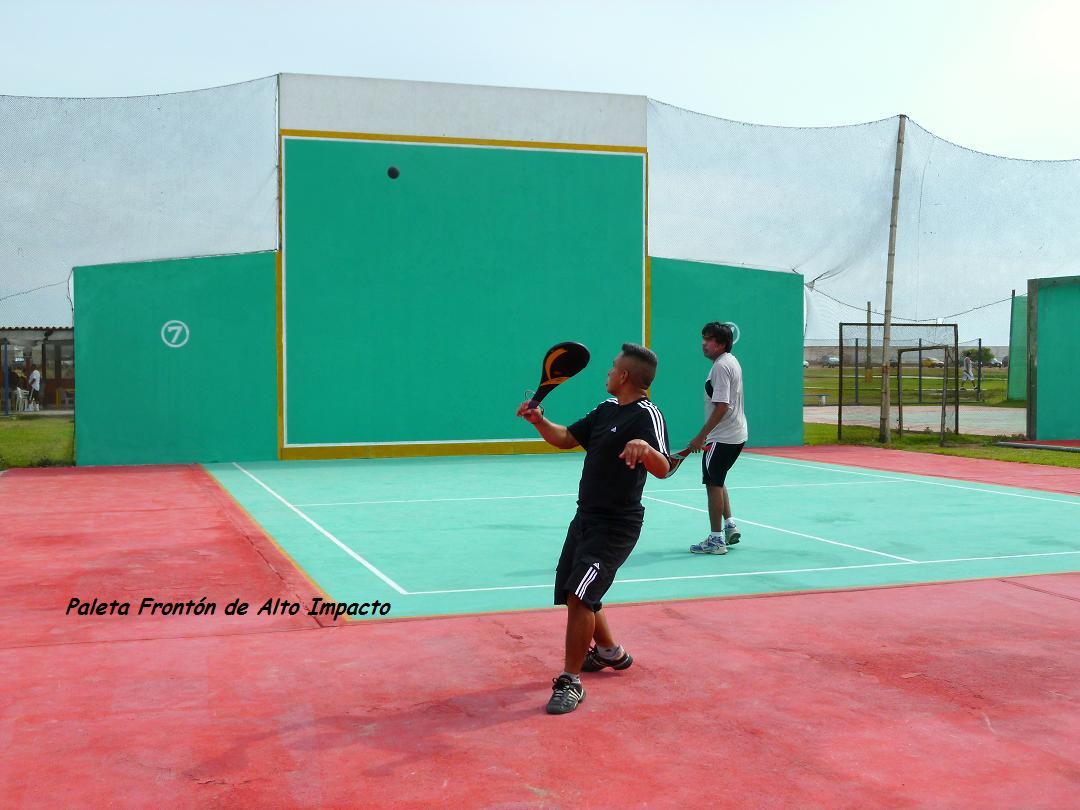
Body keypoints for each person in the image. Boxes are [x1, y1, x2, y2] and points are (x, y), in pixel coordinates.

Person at [517, 343, 671, 715]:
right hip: (585, 518)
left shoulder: (647, 415)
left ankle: (570, 681)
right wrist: (539, 421)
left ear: (624, 377)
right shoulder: (605, 410)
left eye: (612, 368)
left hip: (617, 525)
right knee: (579, 587)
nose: (607, 372)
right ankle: (608, 652)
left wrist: (644, 449)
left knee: (580, 595)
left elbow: (665, 466)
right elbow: (567, 439)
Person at [688, 322, 748, 555]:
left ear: (722, 344)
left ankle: (716, 540)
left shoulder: (721, 367)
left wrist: (700, 436)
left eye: (710, 339)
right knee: (718, 479)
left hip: (722, 436)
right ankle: (729, 525)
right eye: (703, 338)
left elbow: (722, 406)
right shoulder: (730, 361)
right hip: (736, 434)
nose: (704, 343)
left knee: (713, 484)